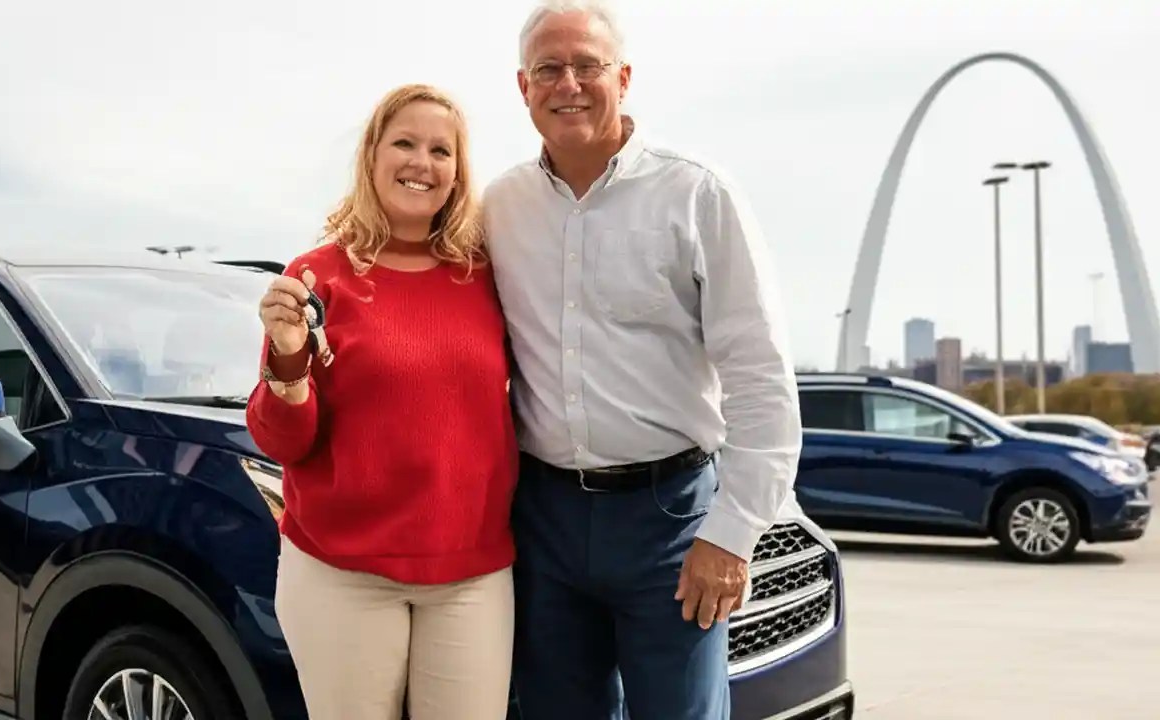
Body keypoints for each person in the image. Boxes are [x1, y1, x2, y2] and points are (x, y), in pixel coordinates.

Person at [481, 2, 804, 718]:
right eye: (548, 69)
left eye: (587, 66)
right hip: (546, 519)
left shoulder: (697, 195)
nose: (568, 83)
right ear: (523, 88)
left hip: (670, 520)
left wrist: (732, 533)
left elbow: (759, 377)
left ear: (623, 78)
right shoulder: (499, 207)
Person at [246, 83, 517, 720]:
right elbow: (282, 440)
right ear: (372, 157)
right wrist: (287, 359)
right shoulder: (317, 274)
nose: (422, 163)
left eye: (440, 150)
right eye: (404, 143)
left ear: (458, 172)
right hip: (342, 575)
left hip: (471, 576)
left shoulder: (487, 273)